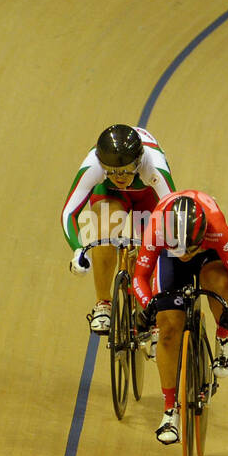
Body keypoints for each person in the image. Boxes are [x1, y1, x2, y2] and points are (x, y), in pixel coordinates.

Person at [132, 191, 228, 444]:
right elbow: (139, 277)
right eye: (179, 250)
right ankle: (169, 409)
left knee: (217, 282)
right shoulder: (157, 228)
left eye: (189, 250)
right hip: (170, 260)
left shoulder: (216, 226)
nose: (185, 254)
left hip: (208, 256)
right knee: (168, 329)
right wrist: (148, 306)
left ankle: (223, 341)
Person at [63, 125, 176, 333]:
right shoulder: (93, 166)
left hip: (147, 194)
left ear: (138, 161)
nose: (120, 177)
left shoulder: (154, 166)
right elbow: (69, 213)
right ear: (102, 164)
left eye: (125, 170)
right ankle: (103, 304)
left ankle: (148, 309)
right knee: (105, 233)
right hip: (111, 195)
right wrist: (78, 249)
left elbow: (172, 211)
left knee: (152, 243)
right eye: (113, 171)